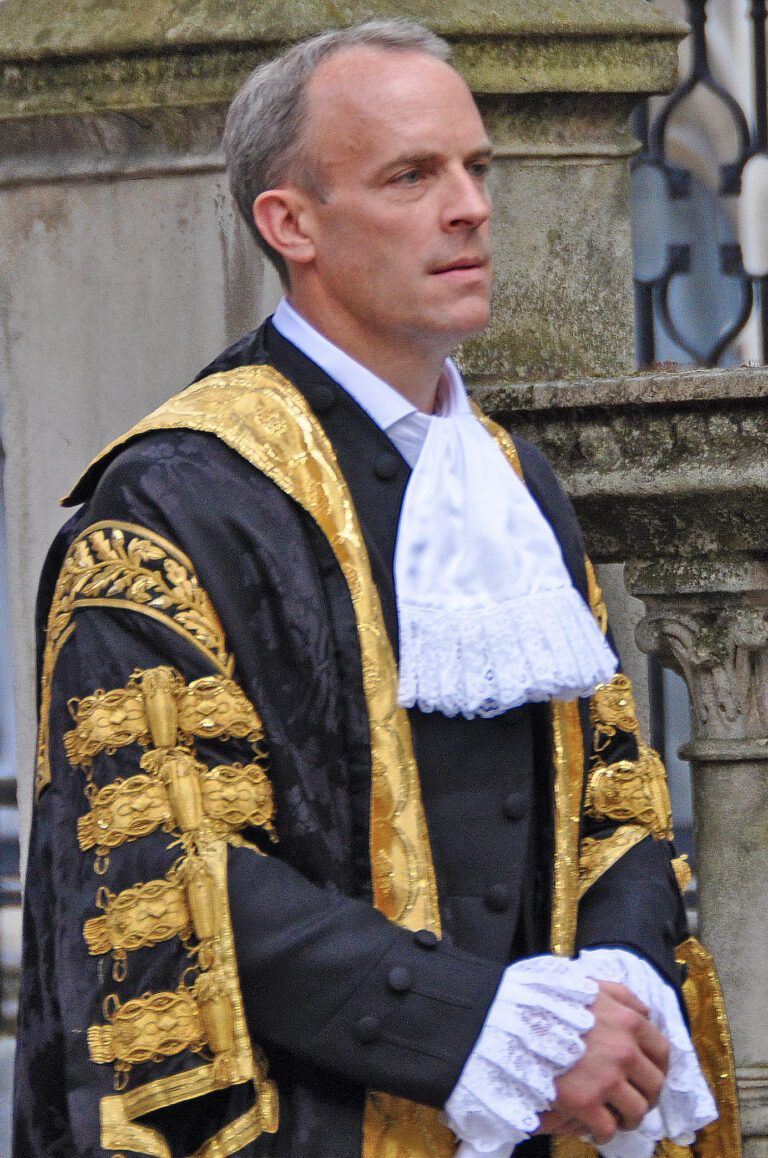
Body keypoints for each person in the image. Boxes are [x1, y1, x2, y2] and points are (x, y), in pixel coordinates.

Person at [13, 20, 724, 1158]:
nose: (470, 207)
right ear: (290, 223)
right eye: (412, 176)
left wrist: (620, 995)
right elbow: (170, 874)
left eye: (476, 169)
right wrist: (483, 1030)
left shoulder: (510, 478)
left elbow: (615, 791)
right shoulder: (173, 501)